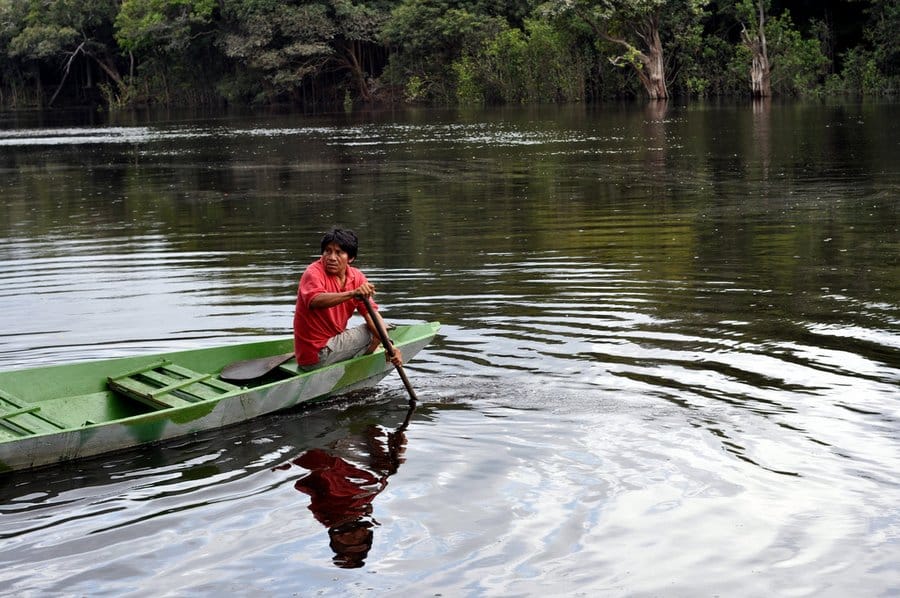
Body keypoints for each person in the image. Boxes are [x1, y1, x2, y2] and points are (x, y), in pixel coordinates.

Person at [293, 228, 402, 369]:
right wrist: (352, 293)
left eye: (339, 253)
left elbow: (370, 313)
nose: (331, 257)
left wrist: (390, 345)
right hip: (316, 355)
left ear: (350, 258)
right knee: (373, 333)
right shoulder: (313, 272)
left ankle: (367, 358)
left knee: (380, 329)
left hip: (330, 346)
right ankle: (361, 366)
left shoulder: (357, 277)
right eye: (328, 251)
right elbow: (315, 300)